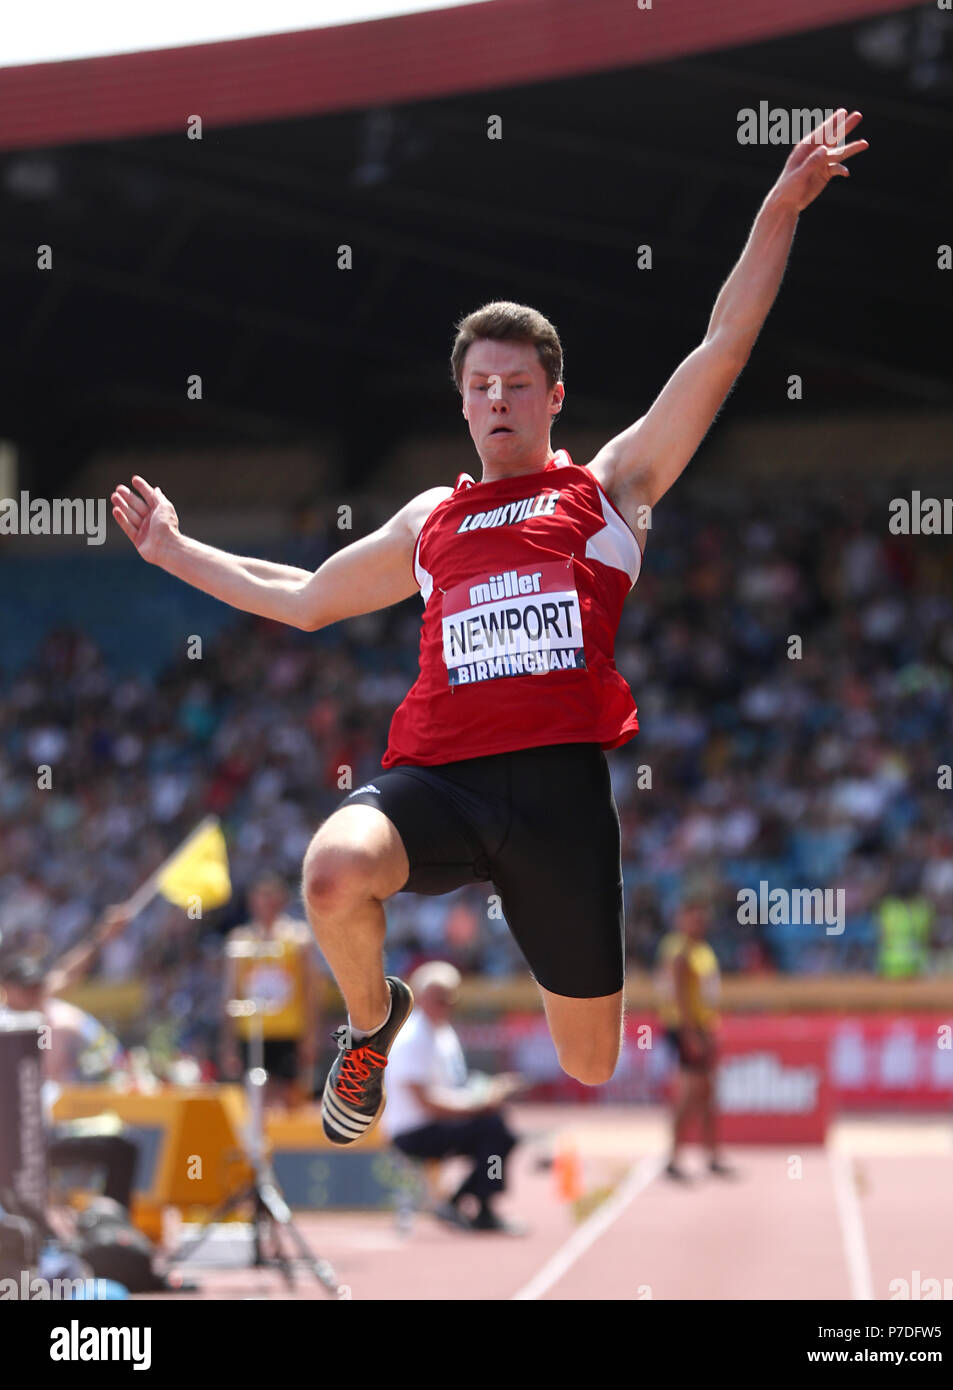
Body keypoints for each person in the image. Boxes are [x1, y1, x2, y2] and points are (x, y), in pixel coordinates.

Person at [110, 111, 868, 1146]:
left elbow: (721, 346)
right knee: (331, 871)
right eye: (480, 387)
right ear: (462, 405)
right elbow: (306, 596)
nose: (498, 399)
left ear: (553, 397)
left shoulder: (611, 487)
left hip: (559, 799)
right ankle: (370, 1026)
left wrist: (778, 208)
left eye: (516, 385)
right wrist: (174, 551)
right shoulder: (433, 518)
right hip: (440, 781)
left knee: (589, 1059)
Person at [0, 904, 138, 1210]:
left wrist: (103, 936)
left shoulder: (41, 1009)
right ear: (8, 988)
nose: (35, 993)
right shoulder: (4, 1020)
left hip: (46, 1133)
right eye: (27, 988)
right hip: (11, 1140)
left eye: (37, 987)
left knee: (121, 1148)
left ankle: (110, 1224)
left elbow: (68, 972)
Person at [379, 962, 524, 1232]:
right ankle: (477, 1204)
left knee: (500, 1134)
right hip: (413, 1131)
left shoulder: (443, 1033)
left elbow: (455, 1087)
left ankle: (465, 1200)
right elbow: (425, 1102)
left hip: (436, 1123)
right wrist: (478, 1106)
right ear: (420, 998)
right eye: (439, 998)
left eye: (450, 999)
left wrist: (488, 1091)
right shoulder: (412, 1037)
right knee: (495, 1130)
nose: (446, 1005)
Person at [220, 873, 318, 1108]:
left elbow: (310, 990)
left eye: (271, 896)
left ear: (282, 899)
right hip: (252, 1031)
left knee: (289, 1099)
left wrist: (310, 1036)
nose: (266, 903)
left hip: (288, 1030)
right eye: (261, 897)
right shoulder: (240, 941)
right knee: (256, 1098)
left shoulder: (299, 939)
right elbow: (231, 993)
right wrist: (228, 1042)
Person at [654, 894, 733, 1182]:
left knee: (708, 1093)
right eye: (692, 916)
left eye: (701, 916)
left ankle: (712, 1155)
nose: (698, 921)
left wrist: (708, 1029)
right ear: (681, 919)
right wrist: (690, 1034)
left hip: (703, 1027)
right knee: (689, 1093)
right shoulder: (679, 949)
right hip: (686, 1028)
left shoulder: (703, 950)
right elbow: (679, 995)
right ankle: (673, 1157)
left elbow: (706, 994)